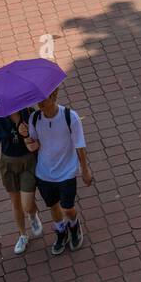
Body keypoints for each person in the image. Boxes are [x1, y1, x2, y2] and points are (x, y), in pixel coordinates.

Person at [20, 89, 92, 256]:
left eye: (43, 99)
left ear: (54, 96)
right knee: (53, 207)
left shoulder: (70, 117)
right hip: (44, 173)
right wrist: (25, 136)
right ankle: (61, 233)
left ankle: (74, 225)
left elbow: (80, 146)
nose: (40, 104)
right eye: (38, 100)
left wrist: (85, 170)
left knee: (68, 208)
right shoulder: (35, 118)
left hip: (67, 171)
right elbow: (33, 146)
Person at [0, 109, 43, 255]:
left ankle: (32, 213)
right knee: (15, 201)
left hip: (28, 162)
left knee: (27, 204)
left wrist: (27, 135)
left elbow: (39, 139)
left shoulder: (29, 114)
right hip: (8, 164)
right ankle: (23, 235)